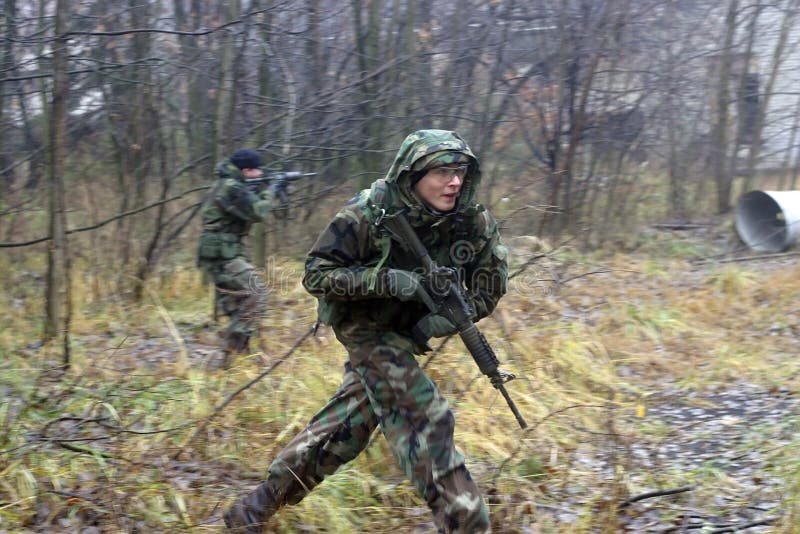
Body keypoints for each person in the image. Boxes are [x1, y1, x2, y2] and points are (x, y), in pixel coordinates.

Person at [224, 130, 508, 533]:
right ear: (413, 176)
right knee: (423, 415)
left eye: (460, 171)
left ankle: (253, 510)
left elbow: (489, 287)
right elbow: (316, 275)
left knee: (348, 428)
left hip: (406, 333)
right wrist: (388, 281)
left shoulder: (471, 221)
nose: (455, 182)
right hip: (363, 326)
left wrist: (440, 320)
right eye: (442, 172)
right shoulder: (368, 212)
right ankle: (467, 523)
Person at [197, 148, 286, 360]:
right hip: (222, 253)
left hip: (224, 251)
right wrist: (272, 189)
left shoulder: (227, 183)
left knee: (238, 302)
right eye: (257, 170)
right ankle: (232, 348)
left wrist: (265, 187)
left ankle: (235, 356)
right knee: (258, 293)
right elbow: (258, 212)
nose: (260, 174)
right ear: (246, 171)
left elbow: (247, 206)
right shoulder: (231, 187)